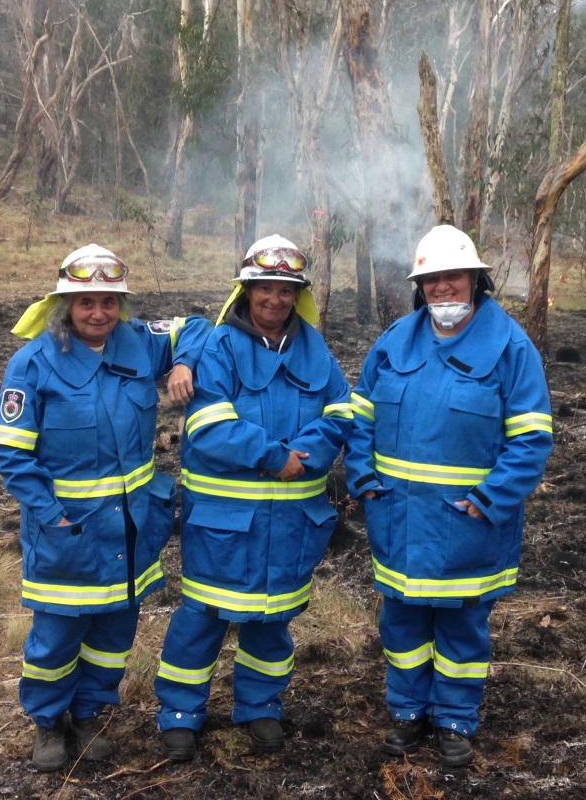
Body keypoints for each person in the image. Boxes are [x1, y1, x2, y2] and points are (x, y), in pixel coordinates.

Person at [0, 244, 209, 773]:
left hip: (132, 528)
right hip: (68, 530)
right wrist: (52, 516)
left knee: (114, 632)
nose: (98, 313)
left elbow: (198, 326)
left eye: (109, 302)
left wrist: (181, 361)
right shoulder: (34, 362)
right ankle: (47, 722)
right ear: (65, 304)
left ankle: (89, 713)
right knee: (58, 633)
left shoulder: (137, 344)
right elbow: (9, 452)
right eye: (86, 302)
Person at [346, 225, 553, 767]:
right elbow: (360, 416)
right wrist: (363, 478)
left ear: (475, 281)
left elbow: (531, 438)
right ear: (420, 287)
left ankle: (455, 719)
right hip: (398, 517)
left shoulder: (510, 346)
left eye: (452, 278)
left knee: (462, 627)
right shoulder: (394, 342)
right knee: (402, 622)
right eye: (431, 280)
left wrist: (489, 500)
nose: (442, 289)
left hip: (467, 522)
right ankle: (408, 711)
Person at [155, 235, 353, 761]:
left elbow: (339, 412)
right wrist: (273, 456)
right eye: (264, 287)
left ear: (297, 294)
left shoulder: (315, 347)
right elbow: (207, 425)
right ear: (246, 290)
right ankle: (179, 713)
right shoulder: (218, 347)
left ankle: (261, 706)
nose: (275, 299)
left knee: (272, 622)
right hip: (224, 523)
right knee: (202, 619)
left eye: (285, 289)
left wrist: (306, 454)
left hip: (293, 523)